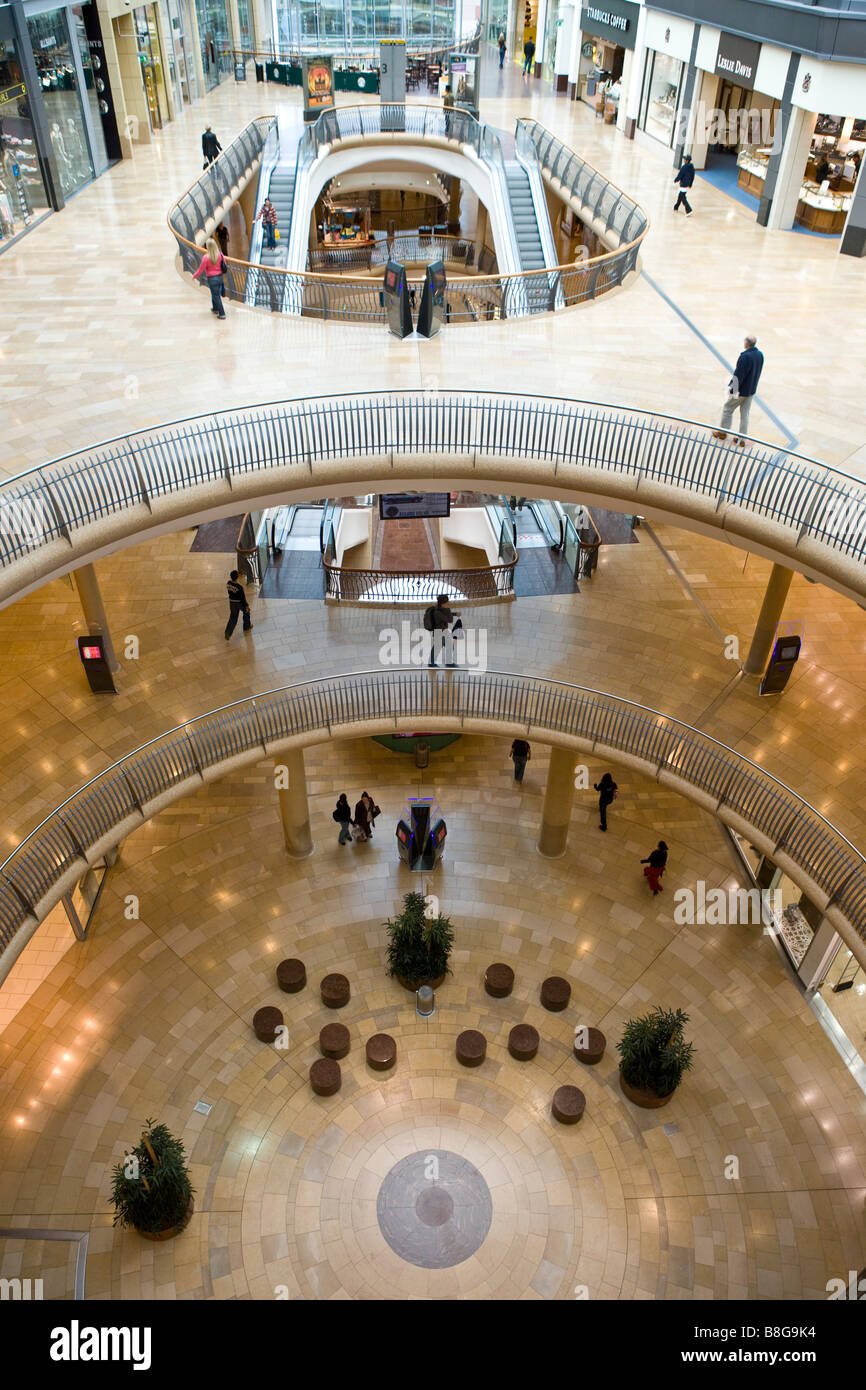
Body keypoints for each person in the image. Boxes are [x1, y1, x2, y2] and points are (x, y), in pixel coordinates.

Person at [712, 335, 764, 447]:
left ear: (747, 344)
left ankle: (722, 433)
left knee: (727, 408)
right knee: (745, 414)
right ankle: (742, 439)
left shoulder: (744, 357)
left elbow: (738, 375)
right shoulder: (760, 355)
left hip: (740, 392)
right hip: (751, 390)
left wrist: (733, 390)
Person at [192, 237, 228, 320]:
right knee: (215, 294)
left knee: (216, 296)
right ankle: (215, 308)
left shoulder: (206, 258)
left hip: (212, 279)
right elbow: (224, 264)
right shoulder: (220, 254)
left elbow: (201, 269)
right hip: (220, 278)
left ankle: (222, 313)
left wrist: (194, 276)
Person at [425, 593, 459, 667]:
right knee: (437, 647)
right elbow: (449, 619)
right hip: (439, 632)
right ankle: (431, 662)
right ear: (442, 604)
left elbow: (446, 615)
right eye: (447, 603)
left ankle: (448, 662)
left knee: (449, 646)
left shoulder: (440, 610)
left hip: (444, 631)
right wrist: (448, 610)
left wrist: (455, 613)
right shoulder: (437, 612)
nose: (448, 604)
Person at [224, 569, 252, 639]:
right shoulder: (239, 587)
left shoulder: (228, 583)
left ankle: (228, 632)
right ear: (237, 577)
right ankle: (246, 626)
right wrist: (246, 606)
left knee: (233, 617)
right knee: (247, 612)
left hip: (231, 603)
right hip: (239, 603)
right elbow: (243, 598)